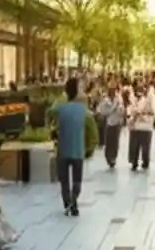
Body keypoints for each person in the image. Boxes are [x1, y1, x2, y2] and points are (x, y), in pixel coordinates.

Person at [53, 78, 88, 216]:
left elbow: (50, 113)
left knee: (64, 181)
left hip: (63, 149)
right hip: (78, 150)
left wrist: (60, 99)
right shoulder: (83, 110)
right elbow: (91, 129)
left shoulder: (60, 108)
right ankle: (74, 201)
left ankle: (68, 203)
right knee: (77, 180)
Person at [127, 85, 155, 172]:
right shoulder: (132, 101)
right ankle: (134, 162)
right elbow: (129, 111)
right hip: (135, 126)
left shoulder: (150, 101)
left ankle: (145, 162)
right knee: (134, 146)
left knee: (145, 147)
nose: (139, 93)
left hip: (145, 126)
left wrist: (142, 113)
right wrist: (133, 115)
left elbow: (153, 111)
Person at [96, 87, 126, 169]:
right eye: (111, 92)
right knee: (109, 141)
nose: (113, 94)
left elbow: (122, 110)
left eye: (114, 92)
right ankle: (108, 158)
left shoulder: (119, 100)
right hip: (109, 123)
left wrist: (121, 113)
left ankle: (113, 158)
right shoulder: (105, 101)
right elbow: (100, 110)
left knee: (115, 141)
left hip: (117, 123)